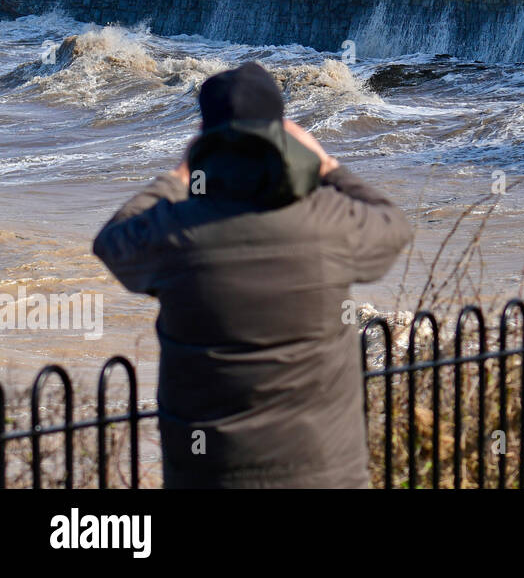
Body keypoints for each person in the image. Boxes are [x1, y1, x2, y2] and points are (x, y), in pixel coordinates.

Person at [93, 62, 413, 488]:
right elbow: (393, 226)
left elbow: (112, 241)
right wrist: (326, 164)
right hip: (322, 471)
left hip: (209, 475)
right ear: (282, 136)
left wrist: (181, 175)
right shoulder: (327, 222)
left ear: (205, 139)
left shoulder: (176, 231)